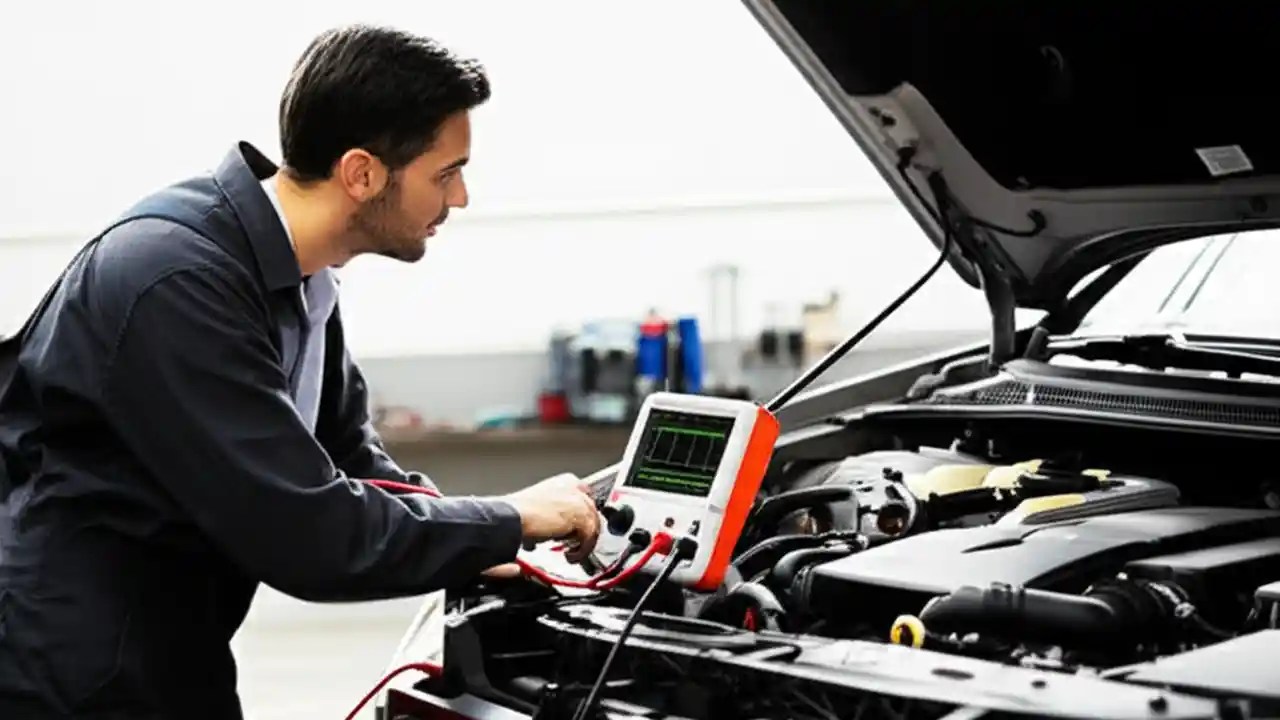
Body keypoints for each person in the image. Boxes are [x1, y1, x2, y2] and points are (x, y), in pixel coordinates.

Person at [0, 24, 601, 719]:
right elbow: (310, 533)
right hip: (72, 678)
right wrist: (506, 520)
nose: (460, 197)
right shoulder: (177, 280)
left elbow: (350, 458)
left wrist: (481, 543)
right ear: (362, 173)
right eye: (446, 173)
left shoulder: (297, 274)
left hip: (168, 651)